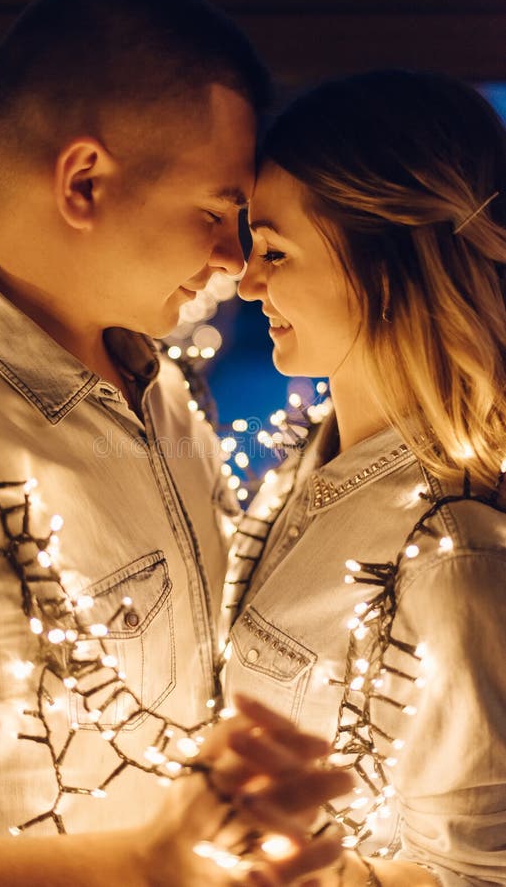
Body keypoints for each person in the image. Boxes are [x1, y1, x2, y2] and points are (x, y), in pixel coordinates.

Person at [0, 0, 352, 883]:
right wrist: (140, 865)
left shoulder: (169, 385)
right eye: (215, 210)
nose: (234, 258)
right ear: (84, 183)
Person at [224, 69, 506, 885]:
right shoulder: (309, 464)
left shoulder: (453, 555)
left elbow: (475, 874)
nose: (247, 282)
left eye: (273, 250)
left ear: (384, 266)